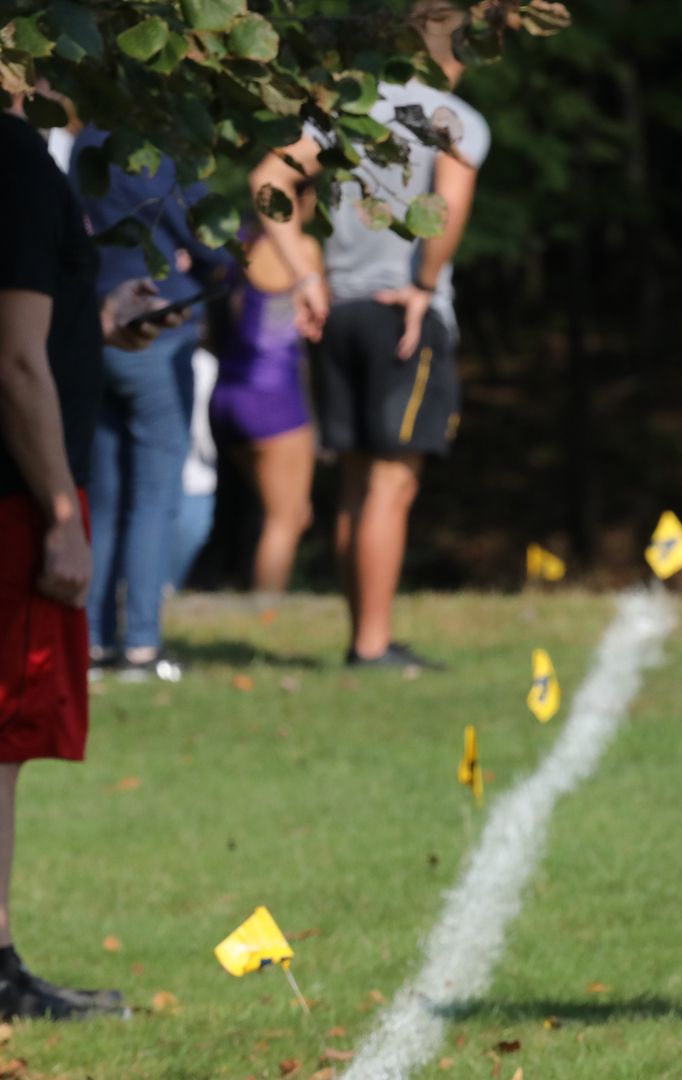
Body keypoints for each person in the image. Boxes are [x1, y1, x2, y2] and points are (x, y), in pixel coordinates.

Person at [1, 93, 182, 1019]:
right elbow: (15, 362)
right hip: (13, 498)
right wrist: (63, 514)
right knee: (2, 737)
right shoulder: (16, 165)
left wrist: (102, 320)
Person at [250, 0, 489, 667]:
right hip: (399, 314)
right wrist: (422, 286)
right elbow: (452, 202)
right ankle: (373, 645)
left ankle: (364, 637)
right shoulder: (452, 119)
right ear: (450, 53)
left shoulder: (343, 114)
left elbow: (268, 179)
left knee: (357, 481)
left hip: (338, 314)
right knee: (391, 482)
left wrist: (305, 276)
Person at [68, 126, 231, 679]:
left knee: (108, 497)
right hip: (155, 330)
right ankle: (141, 644)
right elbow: (213, 239)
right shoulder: (159, 139)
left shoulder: (84, 143)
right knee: (156, 495)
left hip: (97, 326)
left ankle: (90, 642)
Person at [209, 221, 320, 596]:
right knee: (287, 518)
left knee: (272, 511)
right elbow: (320, 314)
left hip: (227, 393)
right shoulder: (302, 249)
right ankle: (267, 618)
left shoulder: (233, 245)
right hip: (275, 397)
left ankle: (243, 591)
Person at [171, 346, 220, 588]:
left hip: (148, 484)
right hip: (194, 482)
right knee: (169, 584)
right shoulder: (203, 363)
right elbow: (206, 438)